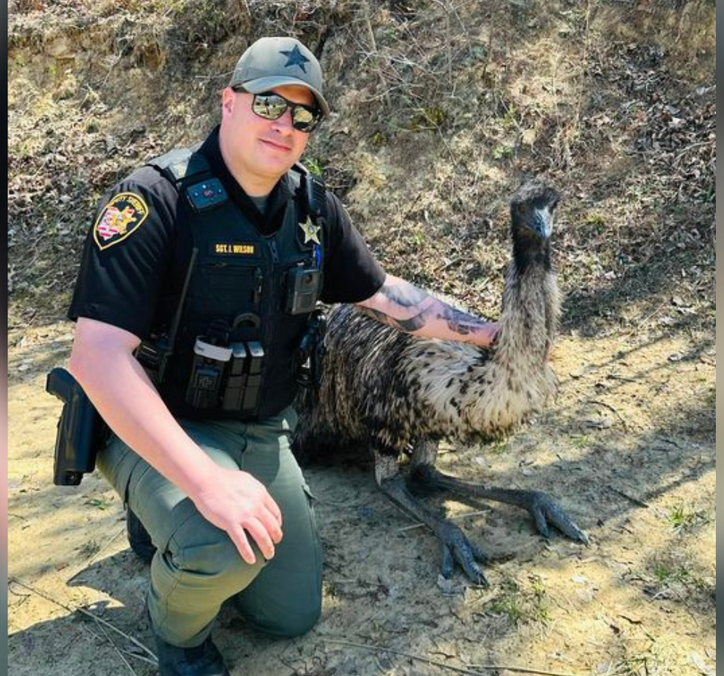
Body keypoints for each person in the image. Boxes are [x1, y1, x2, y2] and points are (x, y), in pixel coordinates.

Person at [66, 36, 498, 676]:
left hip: (262, 428)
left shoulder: (311, 208)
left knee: (289, 615)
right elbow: (98, 357)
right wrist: (205, 482)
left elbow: (383, 296)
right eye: (269, 103)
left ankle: (172, 529)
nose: (285, 125)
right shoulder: (155, 199)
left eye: (303, 115)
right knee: (218, 545)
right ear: (229, 102)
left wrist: (492, 334)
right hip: (159, 423)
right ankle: (177, 634)